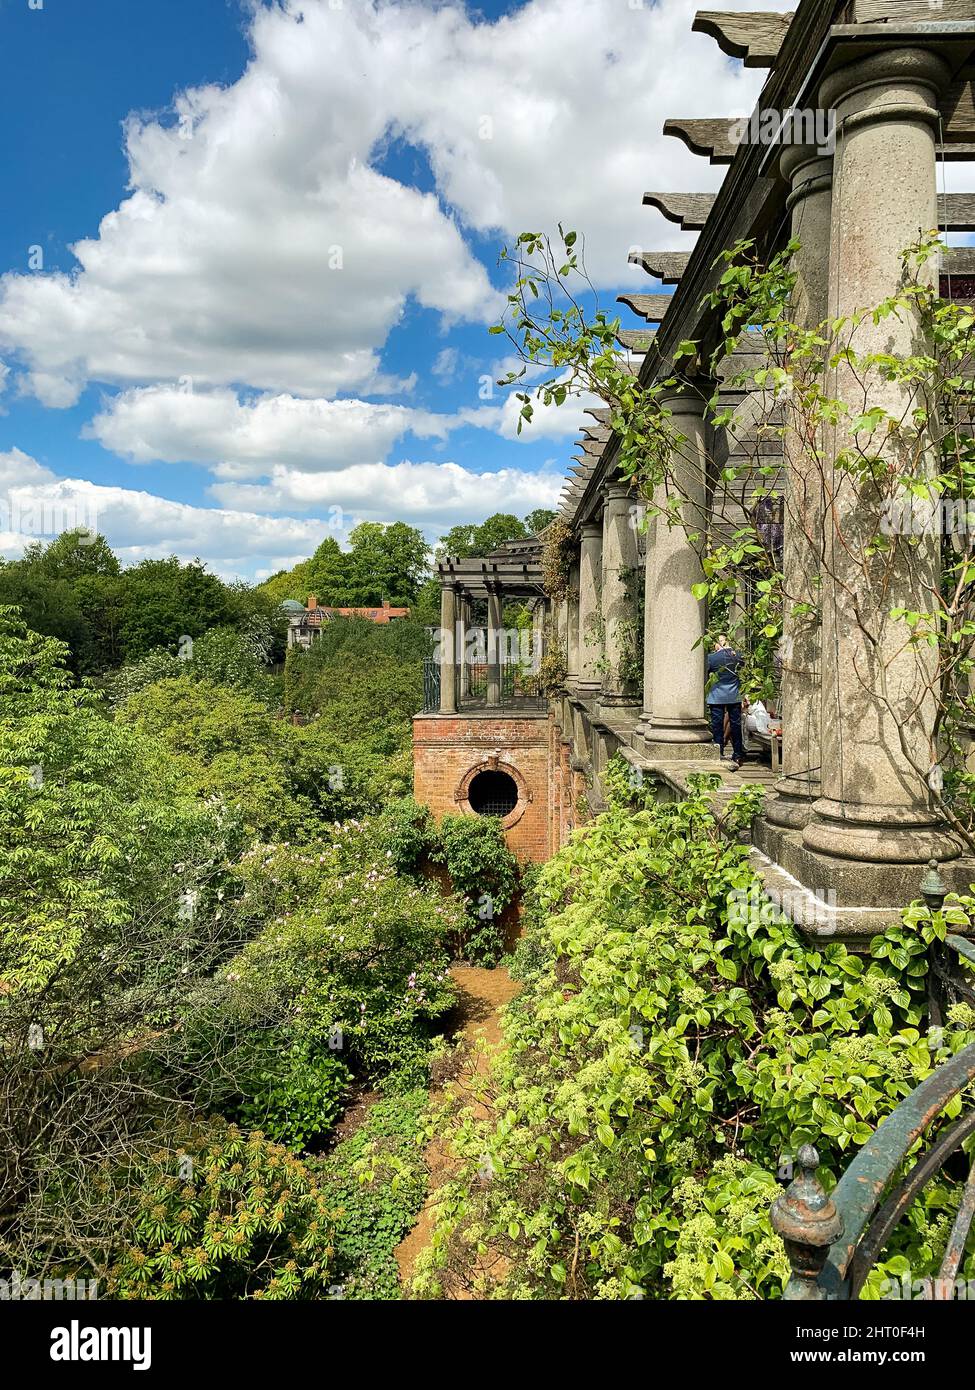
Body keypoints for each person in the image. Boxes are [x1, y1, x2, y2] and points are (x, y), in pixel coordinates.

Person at [706, 635, 745, 770]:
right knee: (736, 724)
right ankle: (738, 754)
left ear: (718, 644)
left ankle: (719, 751)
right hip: (734, 695)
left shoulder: (712, 658)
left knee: (717, 725)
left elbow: (707, 672)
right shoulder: (738, 656)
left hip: (717, 696)